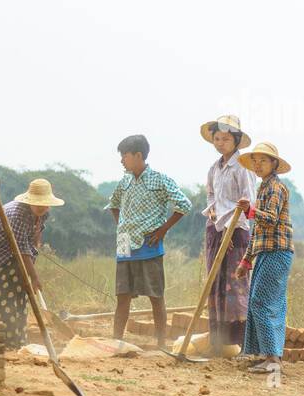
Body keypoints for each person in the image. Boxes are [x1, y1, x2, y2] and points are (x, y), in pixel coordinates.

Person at [105, 135, 193, 348]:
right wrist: (121, 226)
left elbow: (184, 204)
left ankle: (161, 343)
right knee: (122, 295)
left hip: (149, 243)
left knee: (155, 295)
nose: (121, 161)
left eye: (124, 156)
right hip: (125, 243)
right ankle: (117, 340)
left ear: (137, 155)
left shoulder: (159, 179)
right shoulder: (124, 181)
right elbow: (113, 204)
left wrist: (163, 230)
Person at [0, 178, 65, 349]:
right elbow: (21, 249)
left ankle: (14, 342)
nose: (42, 207)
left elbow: (33, 240)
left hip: (16, 255)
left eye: (45, 204)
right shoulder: (17, 214)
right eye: (39, 204)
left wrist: (31, 269)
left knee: (17, 296)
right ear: (30, 200)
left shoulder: (43, 213)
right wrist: (34, 277)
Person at [233, 141, 295, 374]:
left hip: (277, 253)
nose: (258, 165)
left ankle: (272, 360)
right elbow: (258, 231)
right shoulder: (263, 188)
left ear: (274, 164)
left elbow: (269, 219)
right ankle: (268, 355)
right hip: (267, 253)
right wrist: (246, 261)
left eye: (263, 161)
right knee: (265, 303)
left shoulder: (276, 188)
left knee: (262, 303)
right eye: (255, 161)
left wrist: (250, 210)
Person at [199, 115, 257, 355]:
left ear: (235, 141)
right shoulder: (214, 168)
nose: (220, 143)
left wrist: (235, 220)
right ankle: (219, 343)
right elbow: (210, 196)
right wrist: (213, 212)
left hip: (236, 232)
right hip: (215, 230)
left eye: (225, 139)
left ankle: (244, 344)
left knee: (236, 286)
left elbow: (250, 199)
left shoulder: (243, 167)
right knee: (216, 284)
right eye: (216, 139)